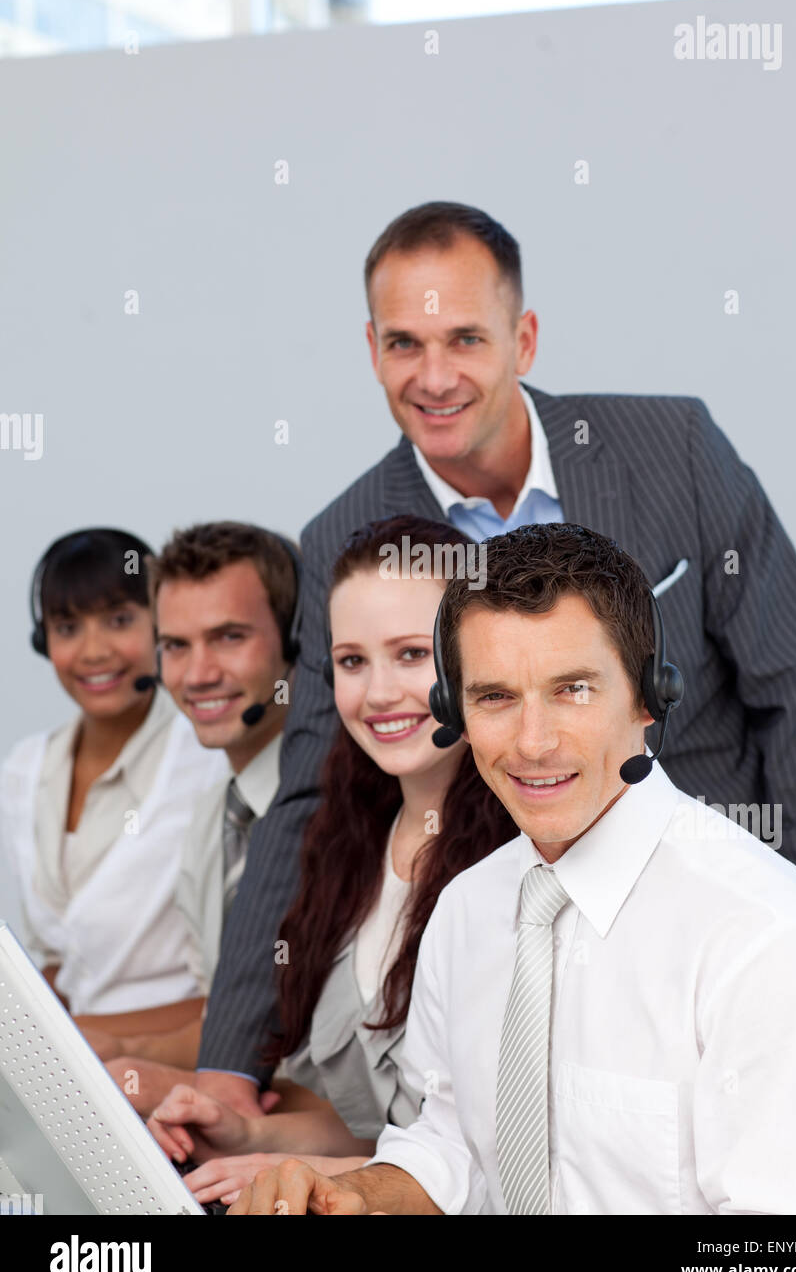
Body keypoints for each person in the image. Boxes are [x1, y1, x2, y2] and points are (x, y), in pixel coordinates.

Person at [196, 200, 796, 1119]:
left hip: (712, 923)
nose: (434, 377)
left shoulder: (677, 453)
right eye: (403, 344)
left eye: (465, 338)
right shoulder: (345, 538)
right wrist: (229, 1066)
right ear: (370, 347)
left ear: (526, 338)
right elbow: (307, 793)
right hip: (500, 953)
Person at [227, 523, 796, 1216]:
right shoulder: (470, 909)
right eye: (496, 697)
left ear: (651, 698)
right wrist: (351, 1192)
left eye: (573, 690)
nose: (533, 743)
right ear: (455, 714)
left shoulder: (768, 941)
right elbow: (450, 1145)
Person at [146, 516, 516, 1206]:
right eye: (352, 661)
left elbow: (496, 1156)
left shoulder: (525, 856)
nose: (377, 693)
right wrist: (248, 1137)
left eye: (410, 654)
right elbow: (374, 1126)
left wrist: (305, 1171)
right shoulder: (341, 843)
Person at [99, 522, 304, 1113]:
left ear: (298, 640)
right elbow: (228, 1017)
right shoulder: (214, 816)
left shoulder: (347, 808)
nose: (198, 674)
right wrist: (119, 1048)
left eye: (229, 637)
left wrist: (164, 1083)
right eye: (176, 645)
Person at [0, 527, 227, 1055]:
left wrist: (90, 1040)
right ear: (44, 642)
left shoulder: (208, 761)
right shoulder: (25, 769)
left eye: (119, 620)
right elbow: (58, 965)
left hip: (180, 1069)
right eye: (67, 627)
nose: (93, 651)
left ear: (160, 629)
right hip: (71, 1071)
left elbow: (242, 997)